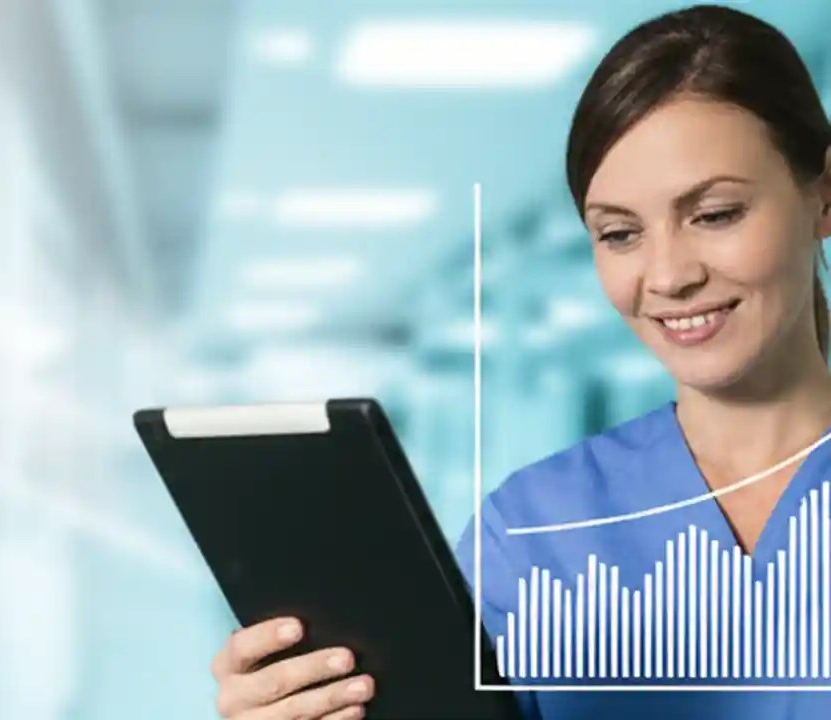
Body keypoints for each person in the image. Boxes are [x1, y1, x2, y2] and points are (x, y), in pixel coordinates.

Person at [208, 4, 831, 719]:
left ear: (823, 193)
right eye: (620, 233)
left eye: (715, 214)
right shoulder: (531, 531)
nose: (667, 275)